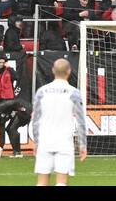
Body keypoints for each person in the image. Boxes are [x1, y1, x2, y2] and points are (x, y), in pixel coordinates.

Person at [30, 58, 87, 186]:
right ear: (69, 71)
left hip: (45, 140)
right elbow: (81, 121)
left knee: (42, 182)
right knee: (61, 182)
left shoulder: (42, 92)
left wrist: (36, 142)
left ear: (53, 71)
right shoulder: (74, 92)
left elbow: (35, 120)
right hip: (64, 142)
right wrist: (82, 145)